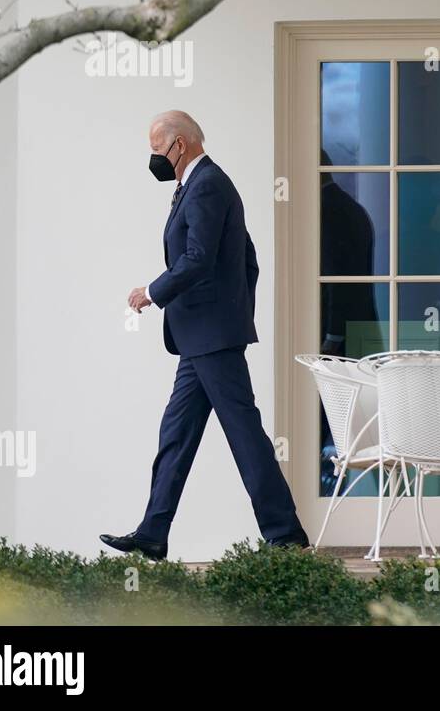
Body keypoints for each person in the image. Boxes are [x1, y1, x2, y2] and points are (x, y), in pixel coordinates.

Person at [101, 111, 308, 559]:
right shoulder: (198, 185)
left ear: (182, 144)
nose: (154, 158)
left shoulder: (208, 184)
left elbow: (197, 259)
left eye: (157, 149)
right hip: (202, 338)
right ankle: (153, 532)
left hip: (211, 338)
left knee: (244, 434)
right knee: (176, 434)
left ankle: (286, 536)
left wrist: (153, 293)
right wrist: (231, 311)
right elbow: (247, 259)